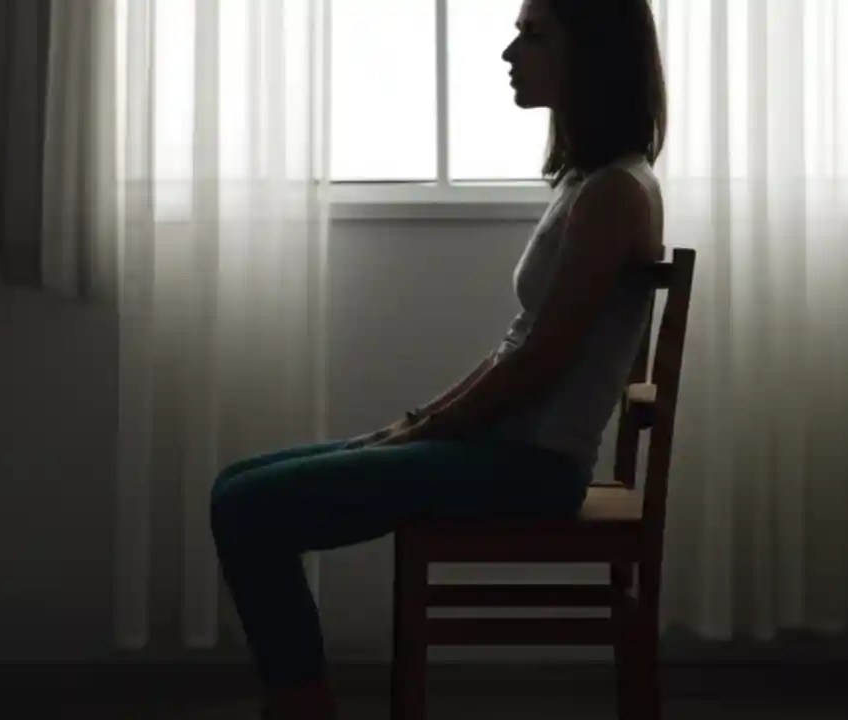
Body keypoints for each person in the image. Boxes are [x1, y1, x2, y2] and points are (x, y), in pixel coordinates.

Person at [210, 0, 666, 717]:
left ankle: (300, 711)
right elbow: (518, 345)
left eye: (534, 34)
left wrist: (422, 433)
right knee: (238, 484)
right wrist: (416, 422)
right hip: (509, 451)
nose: (511, 52)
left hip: (533, 470)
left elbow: (538, 365)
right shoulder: (589, 183)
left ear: (593, 52)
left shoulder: (615, 193)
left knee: (245, 505)